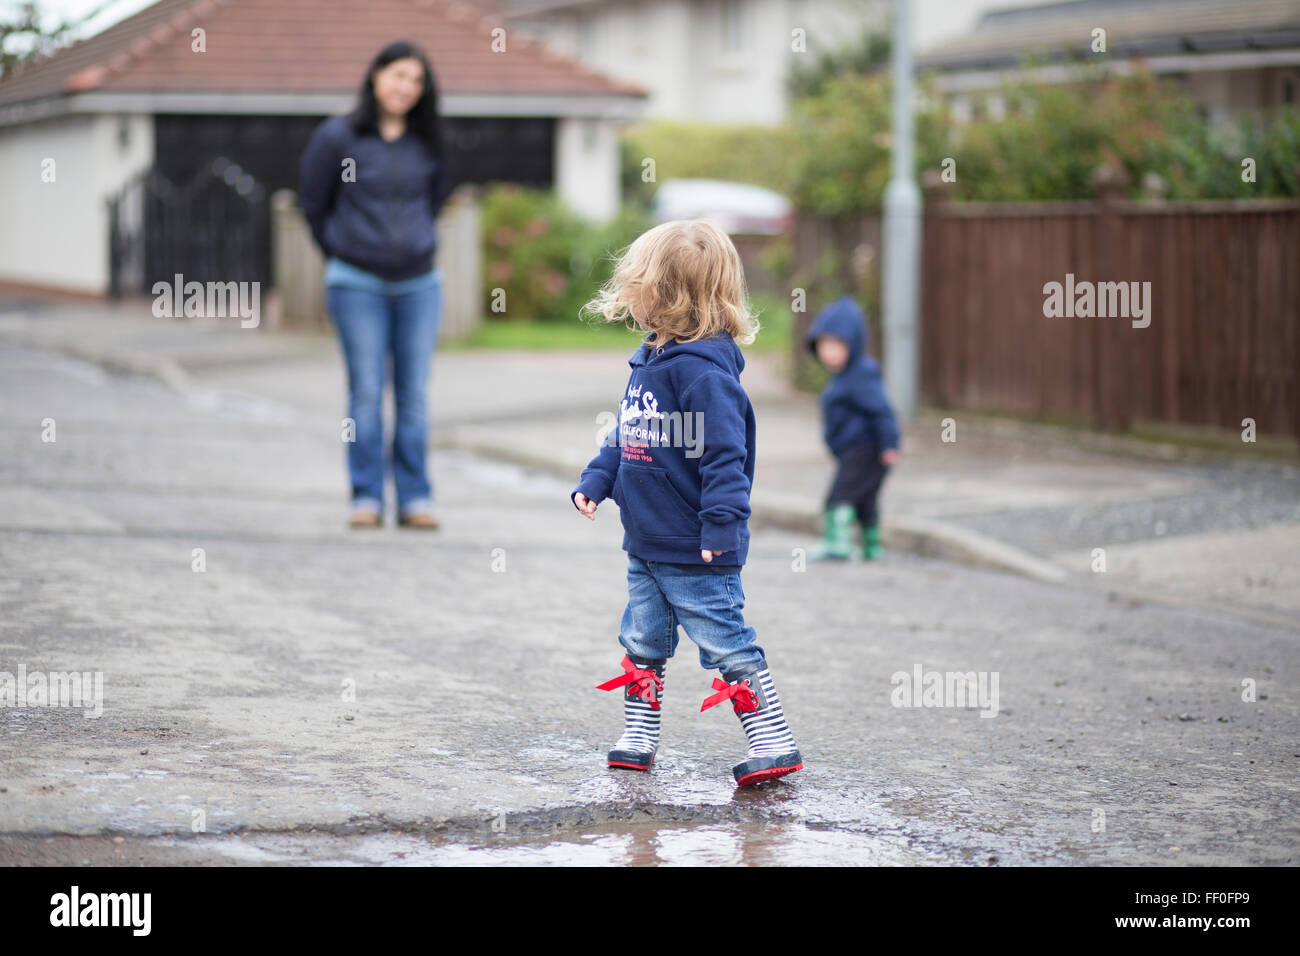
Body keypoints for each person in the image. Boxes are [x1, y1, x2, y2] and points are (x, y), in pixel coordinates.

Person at [571, 219, 802, 787]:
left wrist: (721, 528)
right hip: (646, 542)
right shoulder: (650, 360)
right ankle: (640, 734)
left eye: (640, 286)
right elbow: (627, 434)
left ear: (668, 294)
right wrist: (597, 479)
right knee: (642, 639)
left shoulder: (703, 375)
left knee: (725, 642)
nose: (632, 297)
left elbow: (727, 458)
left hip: (698, 546)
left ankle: (774, 740)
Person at [298, 40, 451, 529]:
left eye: (415, 80)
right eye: (398, 75)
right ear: (375, 76)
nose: (405, 87)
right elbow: (313, 205)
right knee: (365, 392)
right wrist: (344, 250)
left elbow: (435, 200)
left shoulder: (429, 141)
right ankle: (365, 497)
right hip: (355, 283)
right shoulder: (337, 137)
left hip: (419, 284)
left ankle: (415, 500)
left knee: (414, 395)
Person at [804, 295, 901, 560]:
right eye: (824, 346)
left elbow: (881, 411)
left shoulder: (861, 375)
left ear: (854, 344)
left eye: (837, 346)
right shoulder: (843, 378)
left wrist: (890, 444)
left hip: (865, 449)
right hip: (852, 451)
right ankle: (872, 547)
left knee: (840, 495)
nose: (829, 353)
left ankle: (838, 544)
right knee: (865, 499)